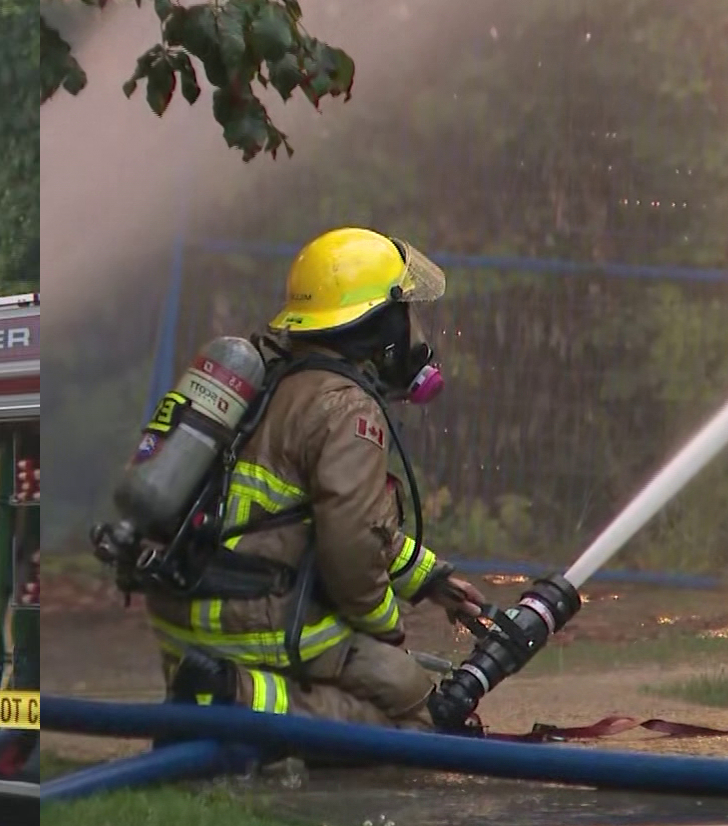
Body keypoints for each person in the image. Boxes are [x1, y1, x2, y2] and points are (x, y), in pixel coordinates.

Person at [147, 227, 489, 730]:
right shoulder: (346, 406)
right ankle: (230, 697)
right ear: (381, 324)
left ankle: (216, 690)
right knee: (421, 710)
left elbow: (310, 521)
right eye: (406, 314)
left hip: (186, 611)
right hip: (251, 619)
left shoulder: (265, 376)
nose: (416, 333)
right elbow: (351, 552)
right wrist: (387, 630)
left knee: (394, 678)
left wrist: (429, 578)